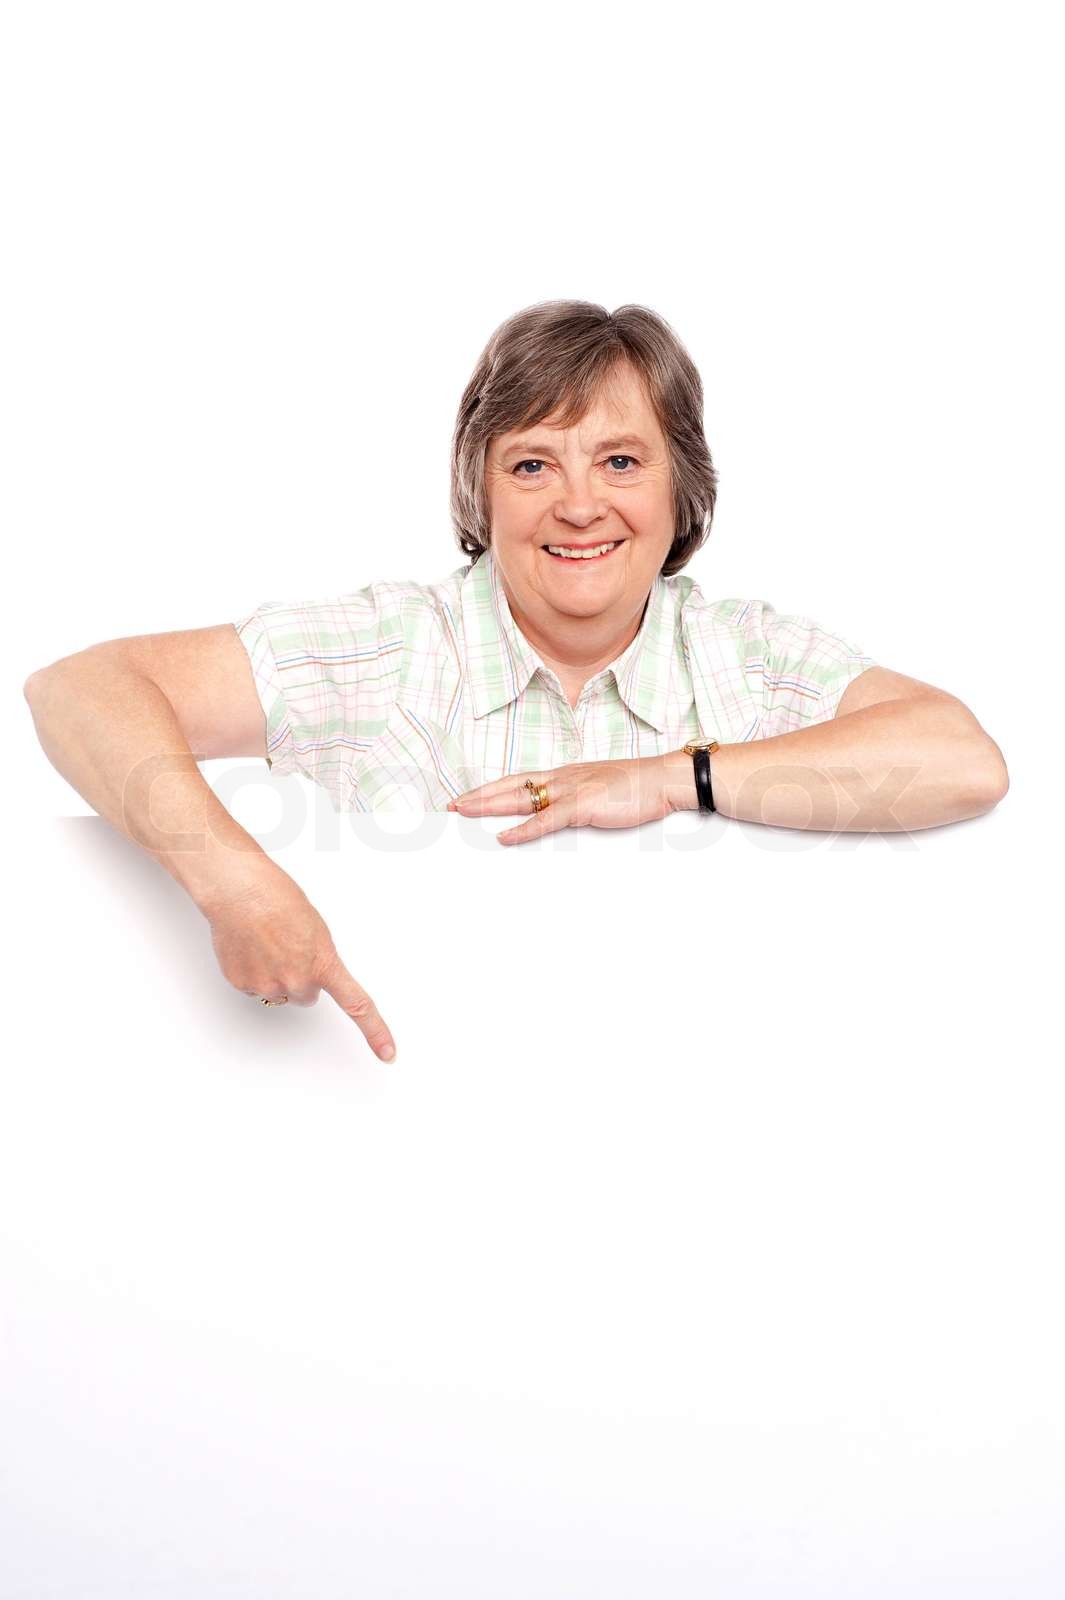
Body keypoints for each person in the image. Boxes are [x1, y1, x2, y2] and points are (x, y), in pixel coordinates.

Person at [23, 299, 1009, 1062]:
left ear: (681, 487)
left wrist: (670, 777)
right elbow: (79, 688)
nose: (580, 505)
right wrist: (236, 884)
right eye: (533, 465)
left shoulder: (746, 655)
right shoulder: (395, 644)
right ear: (481, 490)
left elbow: (963, 760)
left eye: (620, 459)